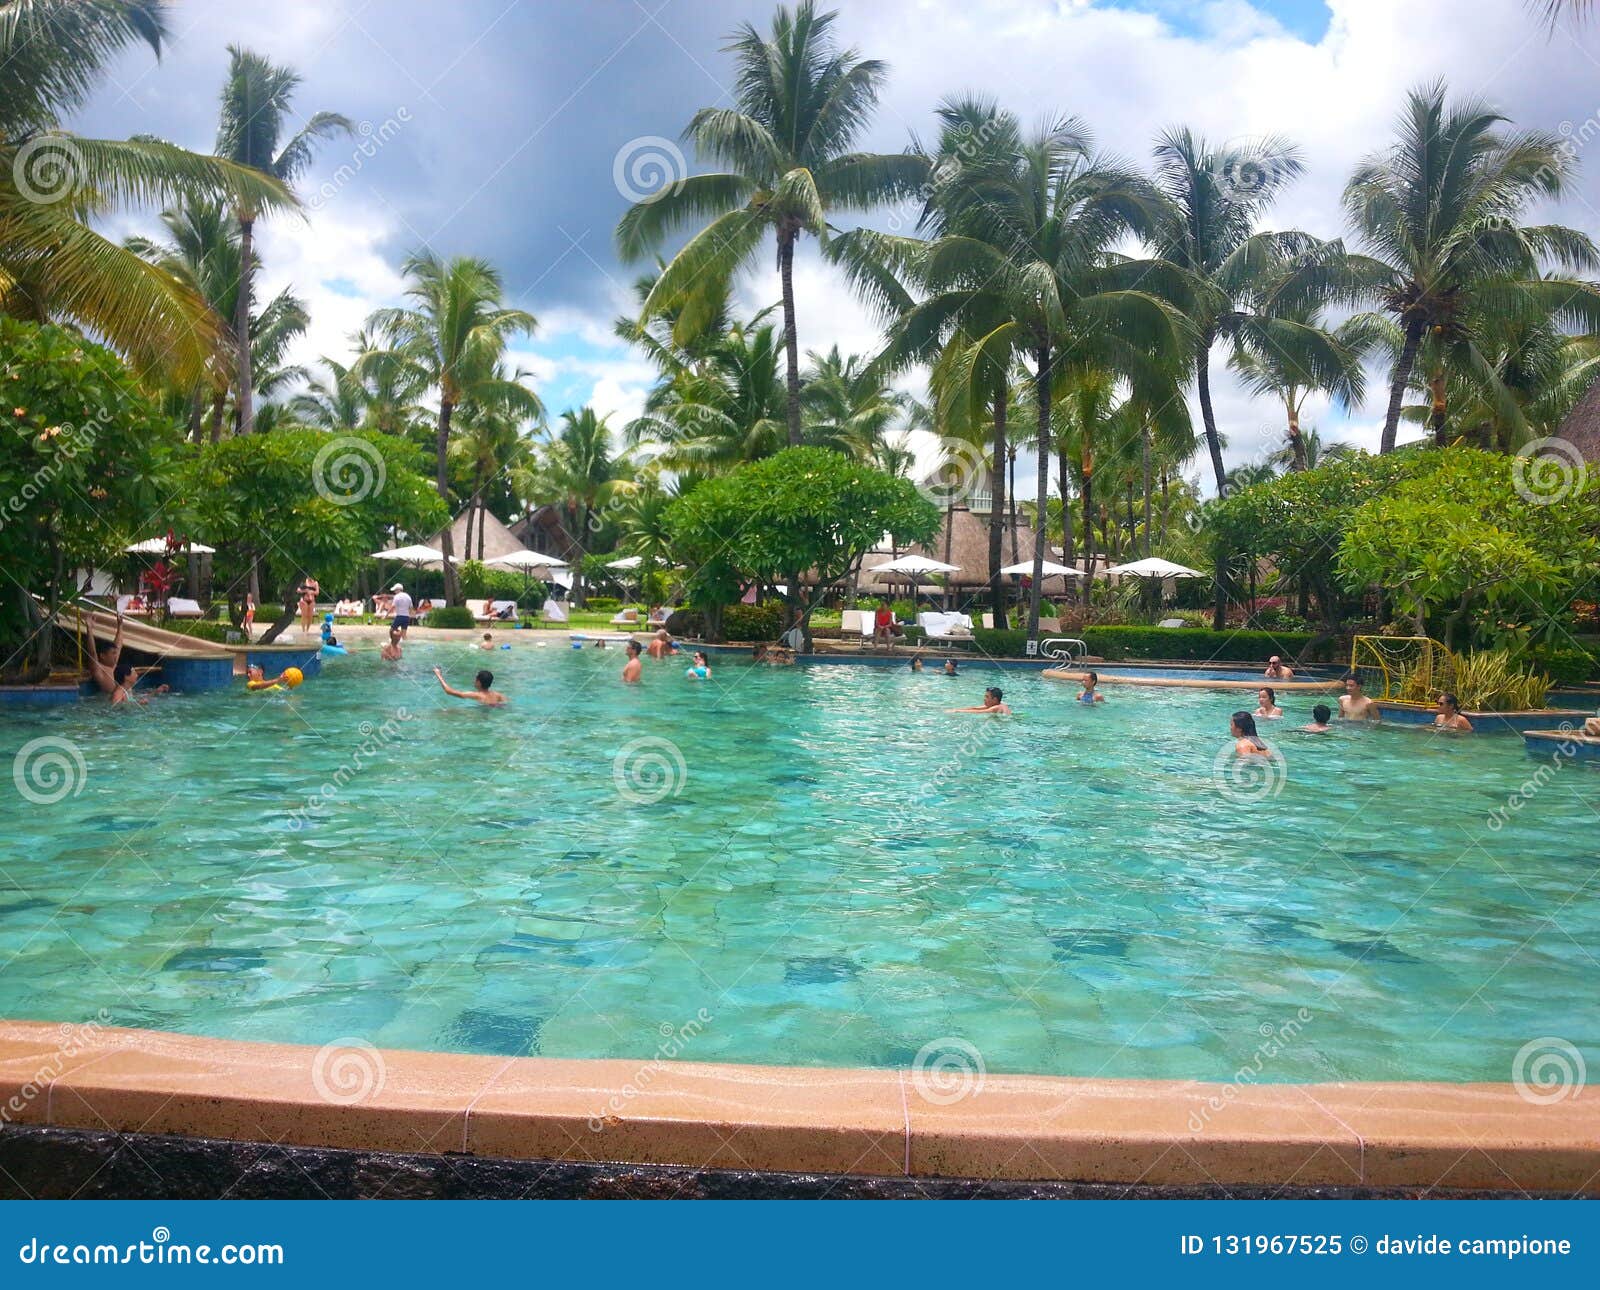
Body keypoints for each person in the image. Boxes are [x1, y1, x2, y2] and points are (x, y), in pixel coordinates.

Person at [432, 666, 505, 706]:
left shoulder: (477, 695)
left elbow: (449, 691)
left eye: (475, 679)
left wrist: (438, 674)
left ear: (479, 682)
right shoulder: (498, 695)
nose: (474, 680)